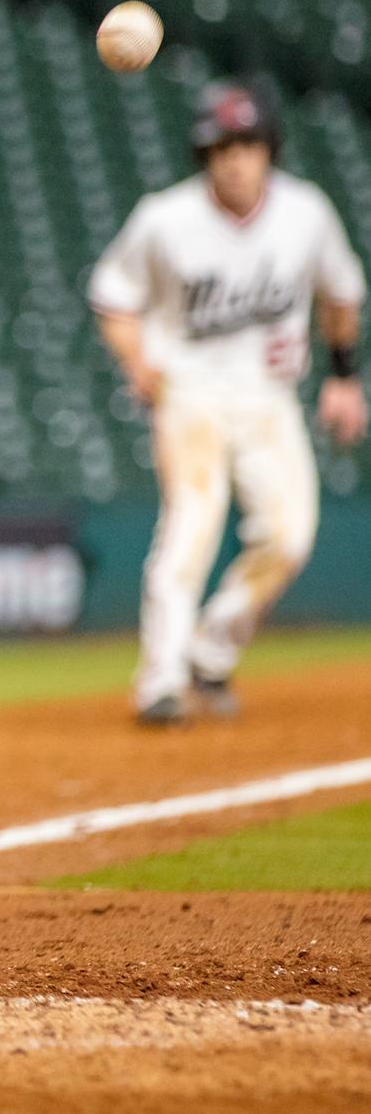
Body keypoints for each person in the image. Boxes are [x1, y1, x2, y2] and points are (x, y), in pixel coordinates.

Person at [90, 77, 367, 726]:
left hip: (270, 397)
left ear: (269, 146)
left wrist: (345, 376)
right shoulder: (166, 218)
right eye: (221, 147)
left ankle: (211, 650)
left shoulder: (307, 212)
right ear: (204, 156)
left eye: (247, 143)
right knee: (190, 525)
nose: (235, 158)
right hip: (190, 393)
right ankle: (159, 681)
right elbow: (113, 295)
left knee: (290, 536)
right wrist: (137, 359)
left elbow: (342, 293)